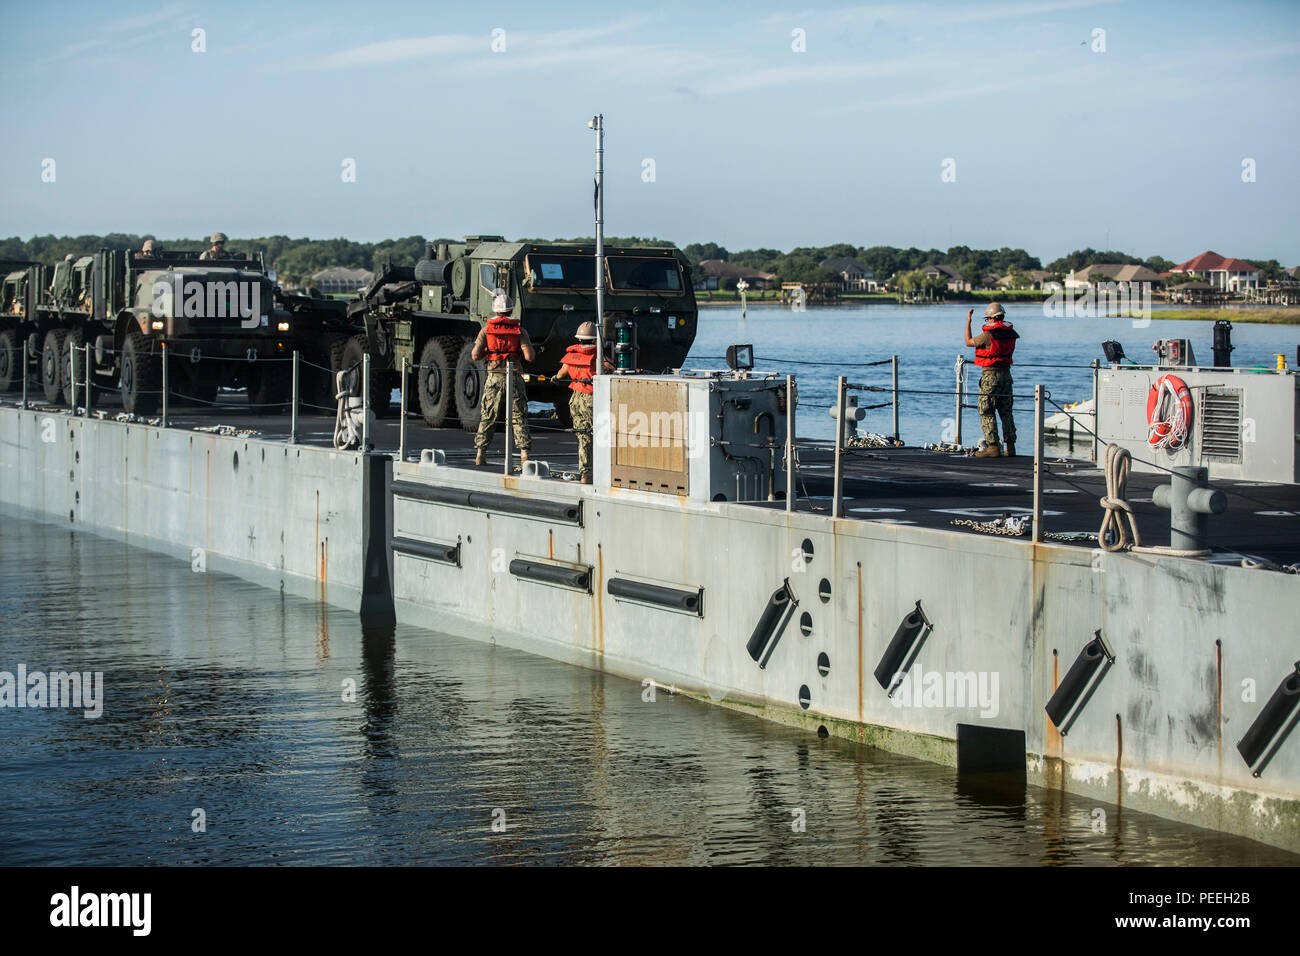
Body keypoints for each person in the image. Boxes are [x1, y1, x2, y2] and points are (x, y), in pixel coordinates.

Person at [472, 292, 534, 466]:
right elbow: (529, 357)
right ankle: (524, 455)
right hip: (514, 375)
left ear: (495, 310)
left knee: (488, 414)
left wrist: (488, 352)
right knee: (519, 415)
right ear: (511, 309)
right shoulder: (519, 331)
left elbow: (475, 355)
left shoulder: (486, 330)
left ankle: (480, 454)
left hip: (494, 376)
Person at [554, 320, 612, 484]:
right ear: (595, 339)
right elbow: (613, 367)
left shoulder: (571, 355)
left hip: (576, 398)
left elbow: (560, 375)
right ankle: (597, 472)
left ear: (579, 339)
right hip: (592, 398)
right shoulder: (598, 356)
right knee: (599, 434)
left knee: (583, 436)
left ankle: (585, 472)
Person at [964, 302, 1019, 457]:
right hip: (1006, 376)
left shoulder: (988, 335)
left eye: (987, 319)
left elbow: (968, 342)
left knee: (986, 410)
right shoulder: (1011, 332)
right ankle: (1011, 447)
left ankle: (993, 447)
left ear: (991, 319)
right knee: (1006, 411)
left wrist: (968, 321)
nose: (986, 321)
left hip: (990, 377)